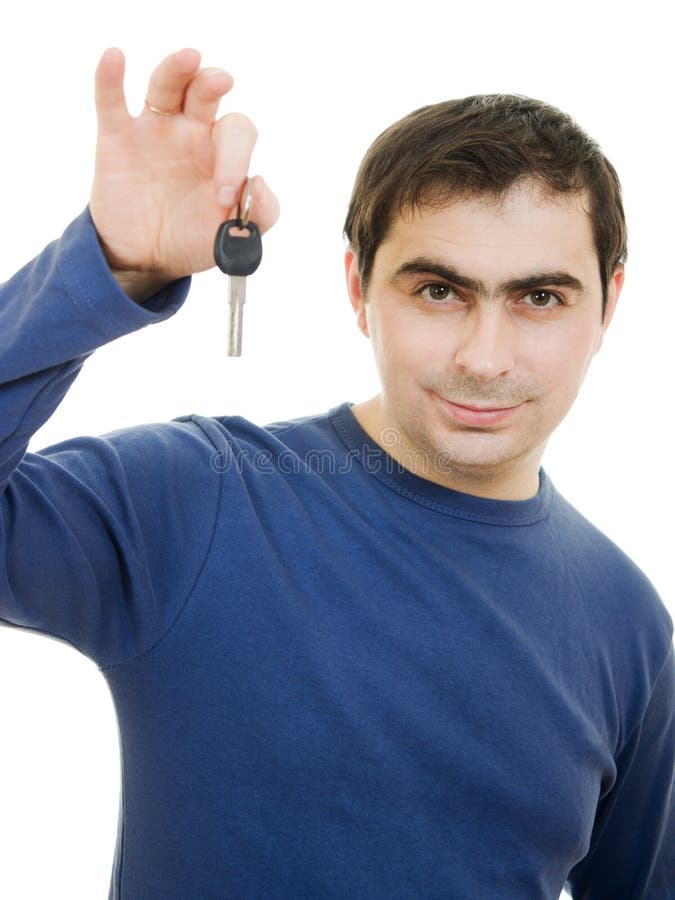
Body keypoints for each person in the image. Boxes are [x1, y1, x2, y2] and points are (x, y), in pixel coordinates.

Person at [1, 45, 673, 900]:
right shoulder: (194, 500)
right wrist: (104, 268)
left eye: (539, 297)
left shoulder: (628, 624)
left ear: (608, 304)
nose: (485, 356)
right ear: (357, 287)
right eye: (438, 291)